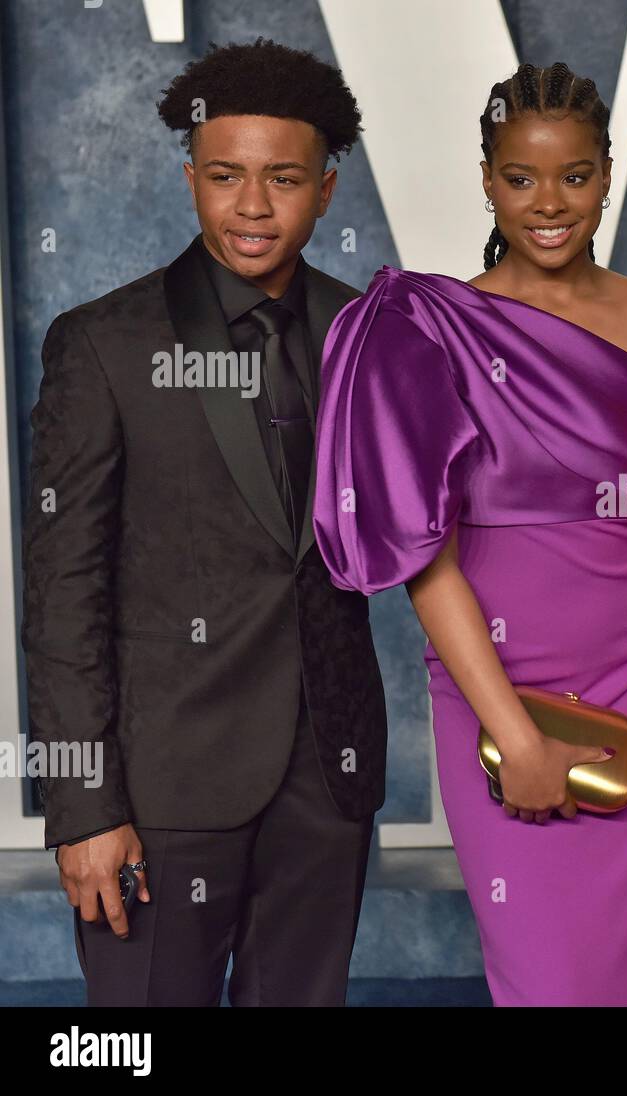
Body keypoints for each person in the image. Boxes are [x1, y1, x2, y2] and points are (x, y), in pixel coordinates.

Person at [312, 62, 627, 1006]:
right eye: (521, 178)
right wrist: (511, 730)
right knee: (546, 979)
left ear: (608, 174)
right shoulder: (424, 326)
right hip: (497, 686)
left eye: (574, 175)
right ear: (486, 180)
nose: (548, 203)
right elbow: (420, 556)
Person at [22, 39, 387, 1006]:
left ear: (329, 187)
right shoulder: (103, 346)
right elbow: (61, 595)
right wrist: (83, 807)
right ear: (192, 178)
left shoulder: (365, 336)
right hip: (158, 789)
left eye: (283, 178)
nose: (253, 207)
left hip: (327, 784)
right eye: (225, 177)